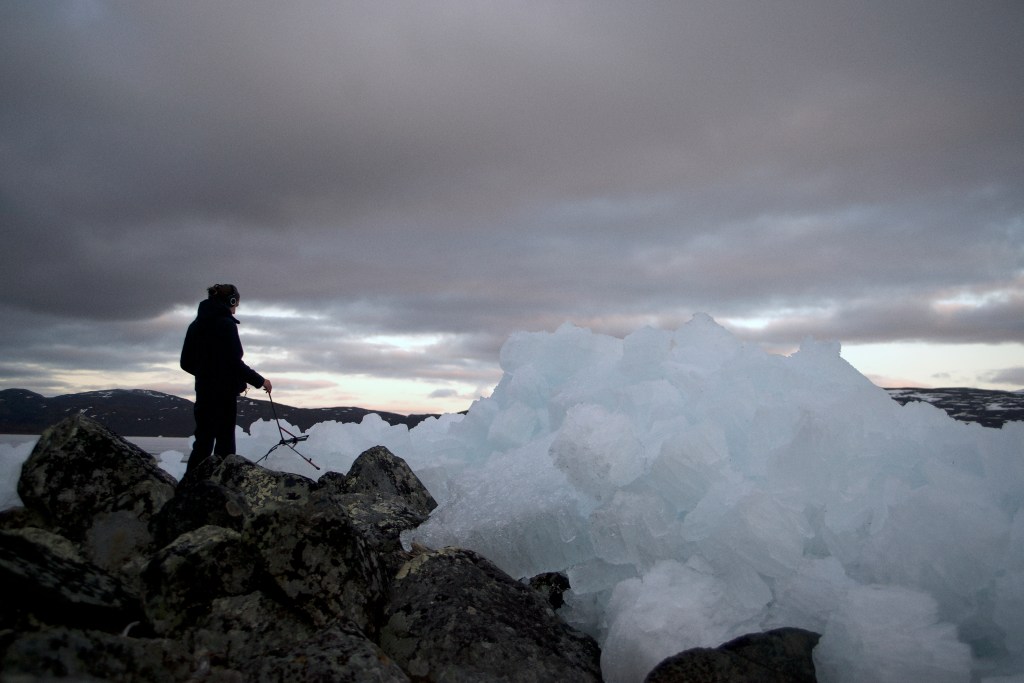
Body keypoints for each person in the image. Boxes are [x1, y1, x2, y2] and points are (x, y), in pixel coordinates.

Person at [180, 283, 272, 472]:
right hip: (224, 394)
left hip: (204, 391)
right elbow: (234, 362)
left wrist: (206, 375)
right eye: (236, 303)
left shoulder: (195, 325)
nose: (236, 308)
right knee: (225, 443)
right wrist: (260, 381)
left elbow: (185, 362)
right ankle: (223, 489)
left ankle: (189, 488)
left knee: (203, 441)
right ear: (231, 301)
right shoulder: (226, 324)